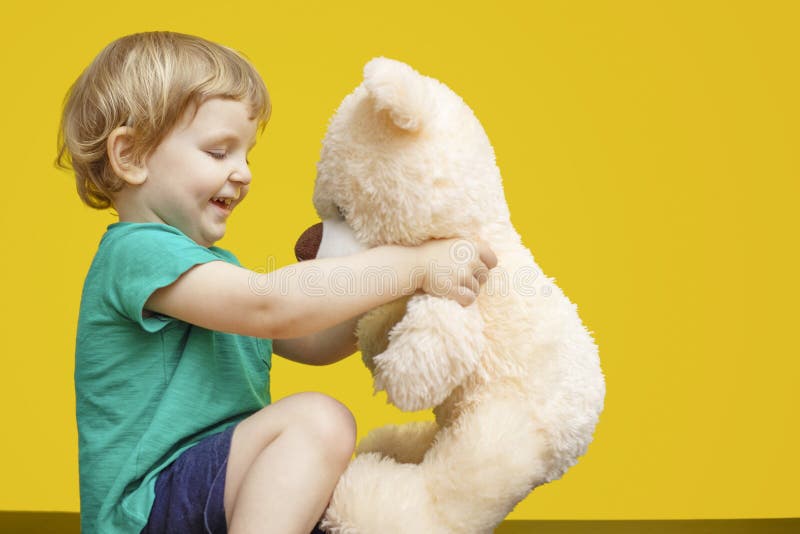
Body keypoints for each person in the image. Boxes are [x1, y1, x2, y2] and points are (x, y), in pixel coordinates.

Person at [56, 31, 497, 534]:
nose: (243, 173)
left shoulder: (208, 271)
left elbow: (308, 338)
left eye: (246, 155)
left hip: (211, 491)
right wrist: (414, 264)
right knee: (319, 421)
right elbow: (274, 307)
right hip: (150, 507)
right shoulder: (135, 252)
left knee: (349, 495)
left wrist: (397, 286)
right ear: (130, 155)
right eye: (219, 152)